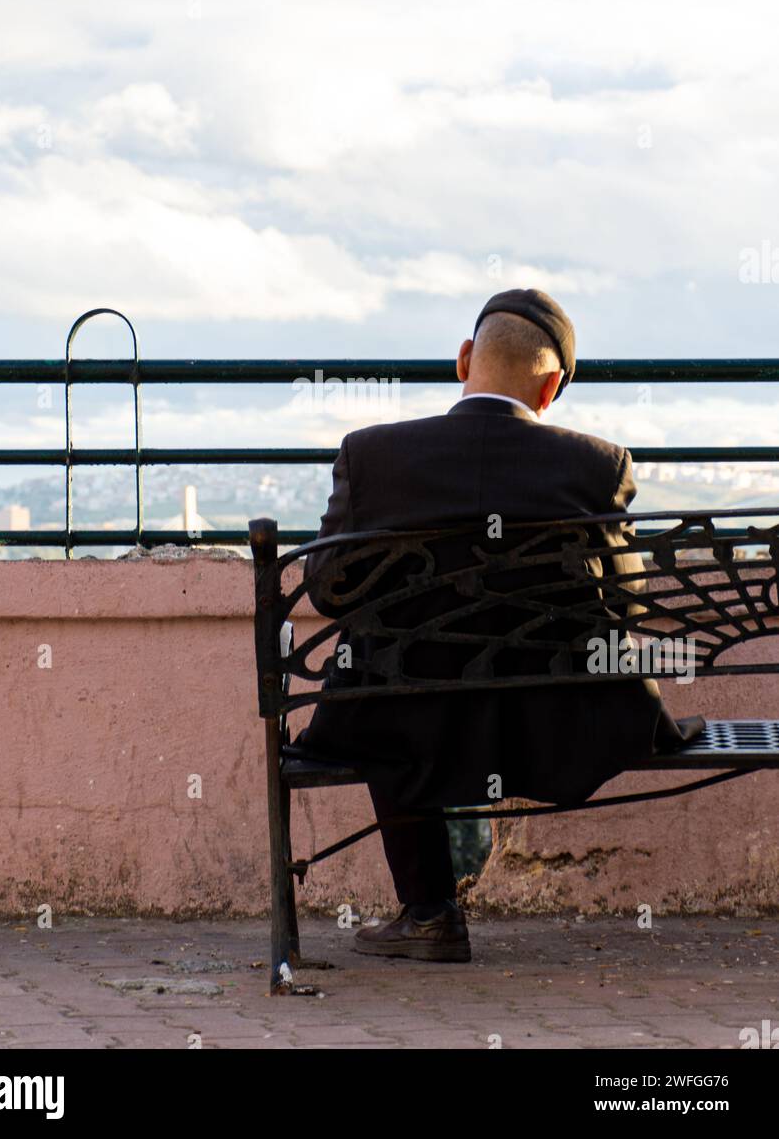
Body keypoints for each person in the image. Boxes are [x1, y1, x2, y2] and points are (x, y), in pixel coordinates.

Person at [293, 287, 704, 963]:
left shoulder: (373, 456)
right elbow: (627, 604)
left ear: (463, 360)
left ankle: (430, 912)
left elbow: (328, 590)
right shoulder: (596, 466)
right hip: (559, 726)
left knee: (383, 677)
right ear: (551, 387)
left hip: (403, 719)